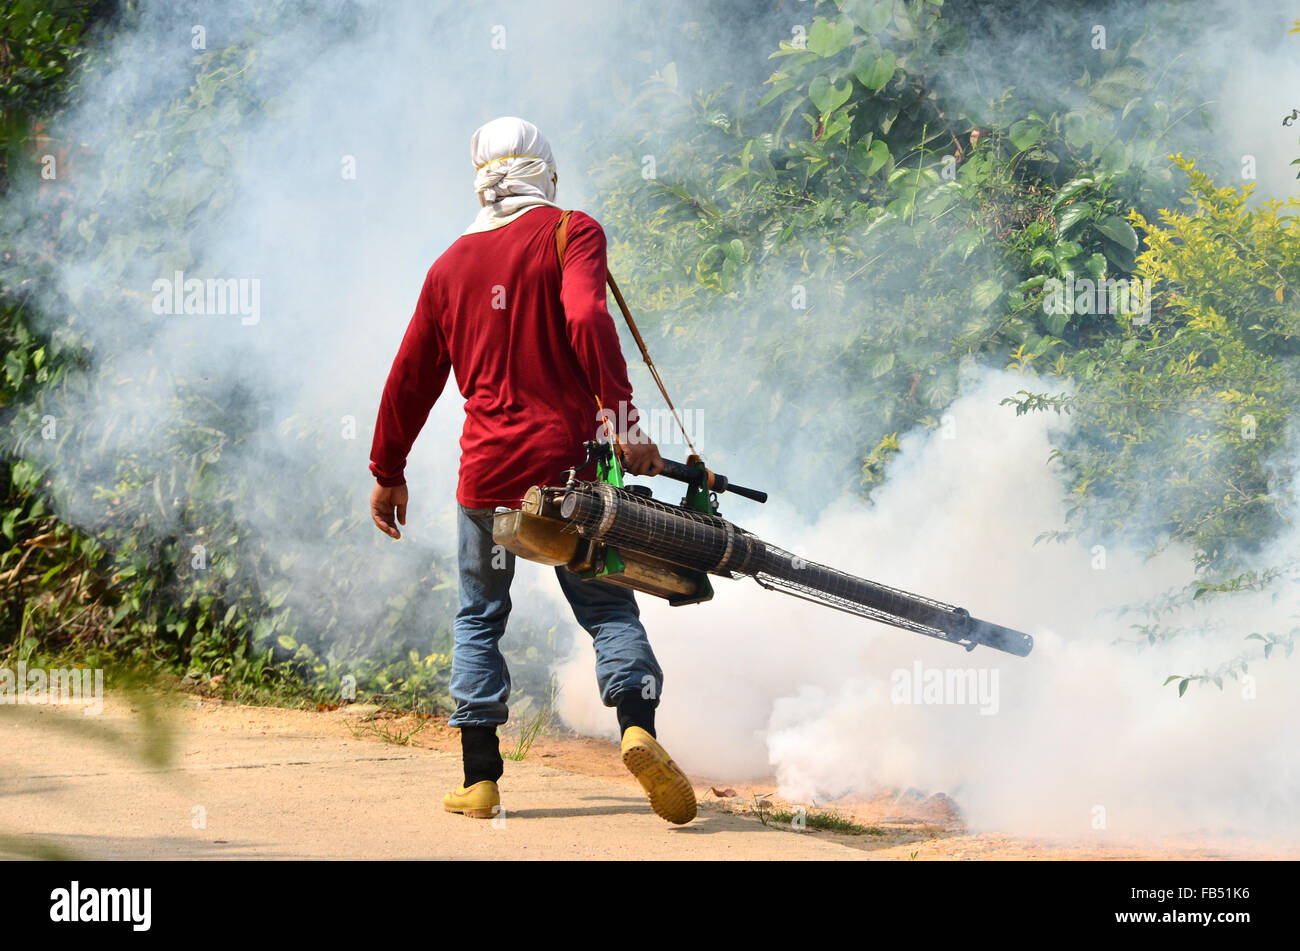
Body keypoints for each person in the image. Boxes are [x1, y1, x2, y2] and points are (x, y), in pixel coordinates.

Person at [367, 116, 696, 825]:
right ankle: (637, 727)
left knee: (478, 617)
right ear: (545, 169)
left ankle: (481, 779)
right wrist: (622, 421)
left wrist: (387, 467)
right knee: (607, 606)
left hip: (487, 481)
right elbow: (585, 317)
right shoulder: (571, 232)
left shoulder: (449, 265)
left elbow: (410, 376)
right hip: (569, 474)